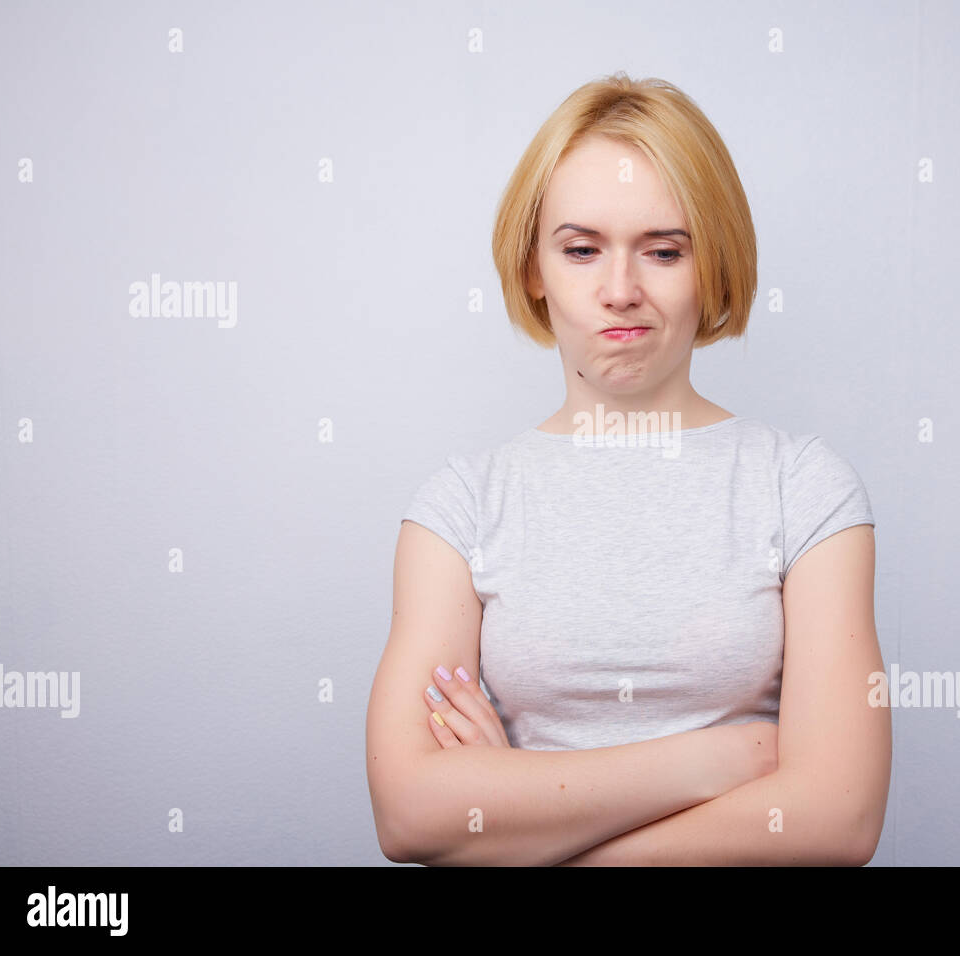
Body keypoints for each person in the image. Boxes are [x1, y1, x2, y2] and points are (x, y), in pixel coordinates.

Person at [365, 72, 891, 866]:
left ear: (712, 265)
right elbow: (409, 814)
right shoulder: (460, 508)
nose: (620, 292)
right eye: (581, 250)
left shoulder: (805, 489)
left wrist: (520, 804)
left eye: (664, 250)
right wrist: (716, 762)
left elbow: (835, 819)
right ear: (535, 268)